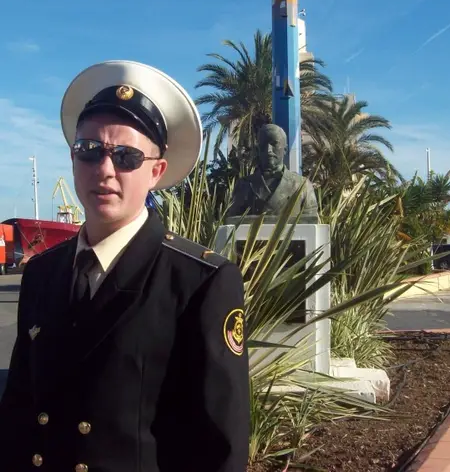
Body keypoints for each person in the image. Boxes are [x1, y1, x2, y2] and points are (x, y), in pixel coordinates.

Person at [0, 60, 250, 472]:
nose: (105, 170)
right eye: (89, 151)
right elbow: (18, 410)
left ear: (156, 171)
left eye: (126, 157)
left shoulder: (198, 282)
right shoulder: (42, 273)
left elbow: (218, 448)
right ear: (73, 159)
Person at [228, 123, 318, 221]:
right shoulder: (243, 186)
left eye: (274, 144)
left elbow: (311, 222)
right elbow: (233, 222)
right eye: (264, 144)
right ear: (258, 149)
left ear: (285, 149)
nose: (269, 150)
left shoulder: (303, 186)